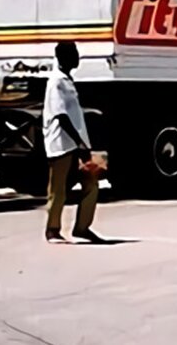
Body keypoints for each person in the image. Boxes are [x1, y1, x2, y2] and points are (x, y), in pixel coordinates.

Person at [43, 41, 103, 243]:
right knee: (58, 190)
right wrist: (79, 143)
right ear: (63, 58)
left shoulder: (67, 80)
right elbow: (61, 116)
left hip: (76, 144)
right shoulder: (56, 82)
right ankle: (52, 230)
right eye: (73, 54)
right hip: (60, 144)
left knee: (91, 184)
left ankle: (82, 228)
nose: (77, 58)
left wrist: (83, 145)